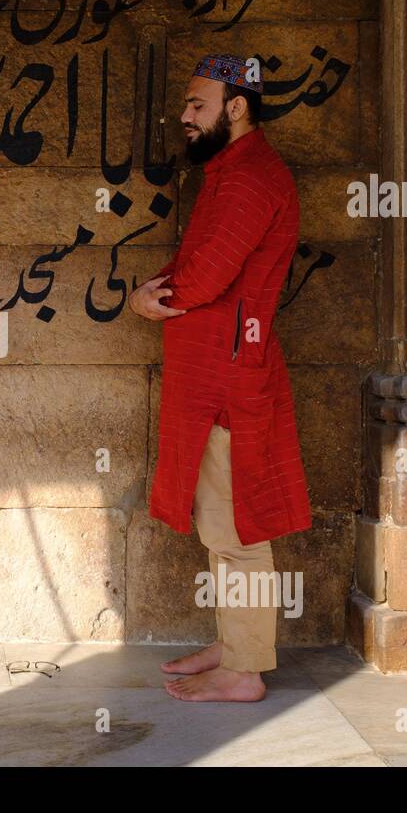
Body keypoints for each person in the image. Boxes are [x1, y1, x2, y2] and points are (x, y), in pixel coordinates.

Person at [130, 53, 312, 703]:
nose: (184, 115)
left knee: (236, 531)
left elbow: (204, 277)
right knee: (221, 525)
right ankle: (236, 647)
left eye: (197, 104)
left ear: (237, 107)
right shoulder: (232, 172)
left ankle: (244, 671)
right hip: (218, 376)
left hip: (228, 382)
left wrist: (149, 299)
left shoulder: (249, 179)